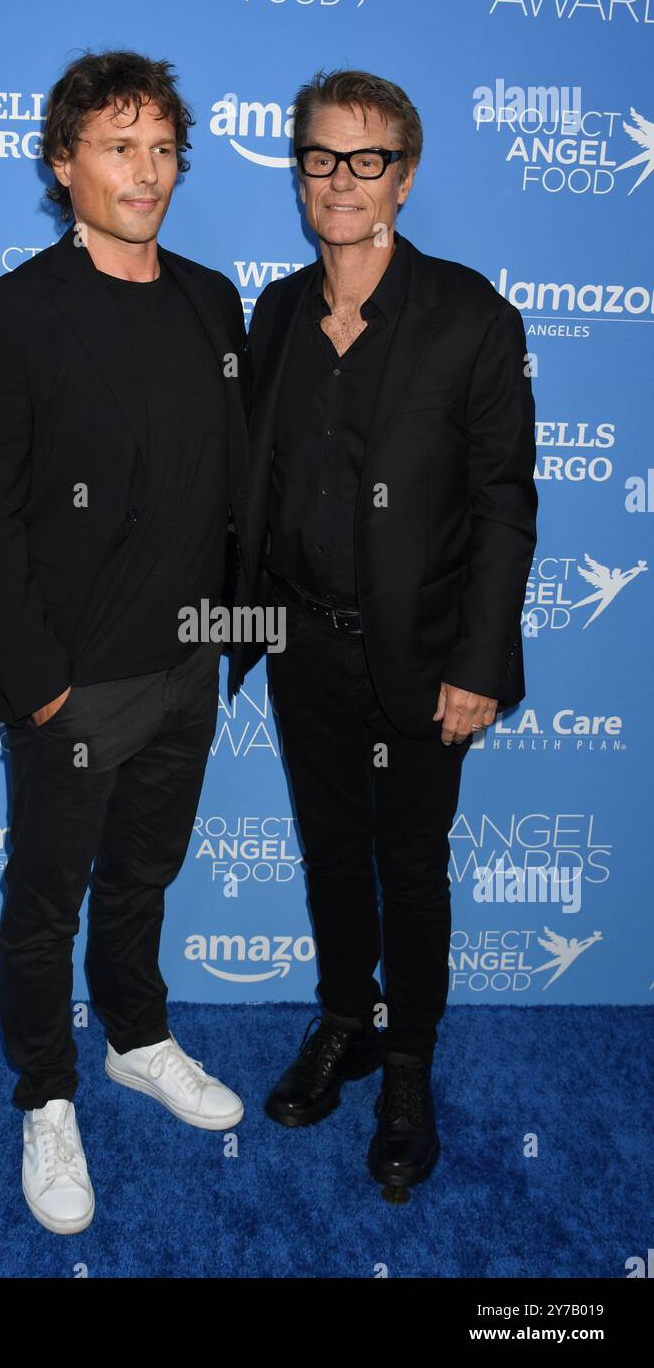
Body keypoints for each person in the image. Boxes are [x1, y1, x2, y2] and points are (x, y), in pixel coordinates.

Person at [0, 49, 250, 1235]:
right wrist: (43, 689)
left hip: (187, 668)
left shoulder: (212, 300)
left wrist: (234, 636)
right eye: (119, 146)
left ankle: (137, 1035)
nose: (148, 171)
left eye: (164, 148)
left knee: (144, 878)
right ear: (62, 162)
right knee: (46, 900)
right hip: (75, 685)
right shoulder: (11, 314)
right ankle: (45, 1091)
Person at [238, 69, 538, 1199]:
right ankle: (345, 1023)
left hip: (422, 661)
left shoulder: (470, 317)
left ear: (403, 179)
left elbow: (505, 503)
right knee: (329, 854)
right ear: (298, 170)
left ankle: (406, 1059)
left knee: (409, 866)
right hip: (300, 648)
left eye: (366, 160)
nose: (340, 180)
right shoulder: (271, 314)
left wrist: (479, 663)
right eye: (320, 156)